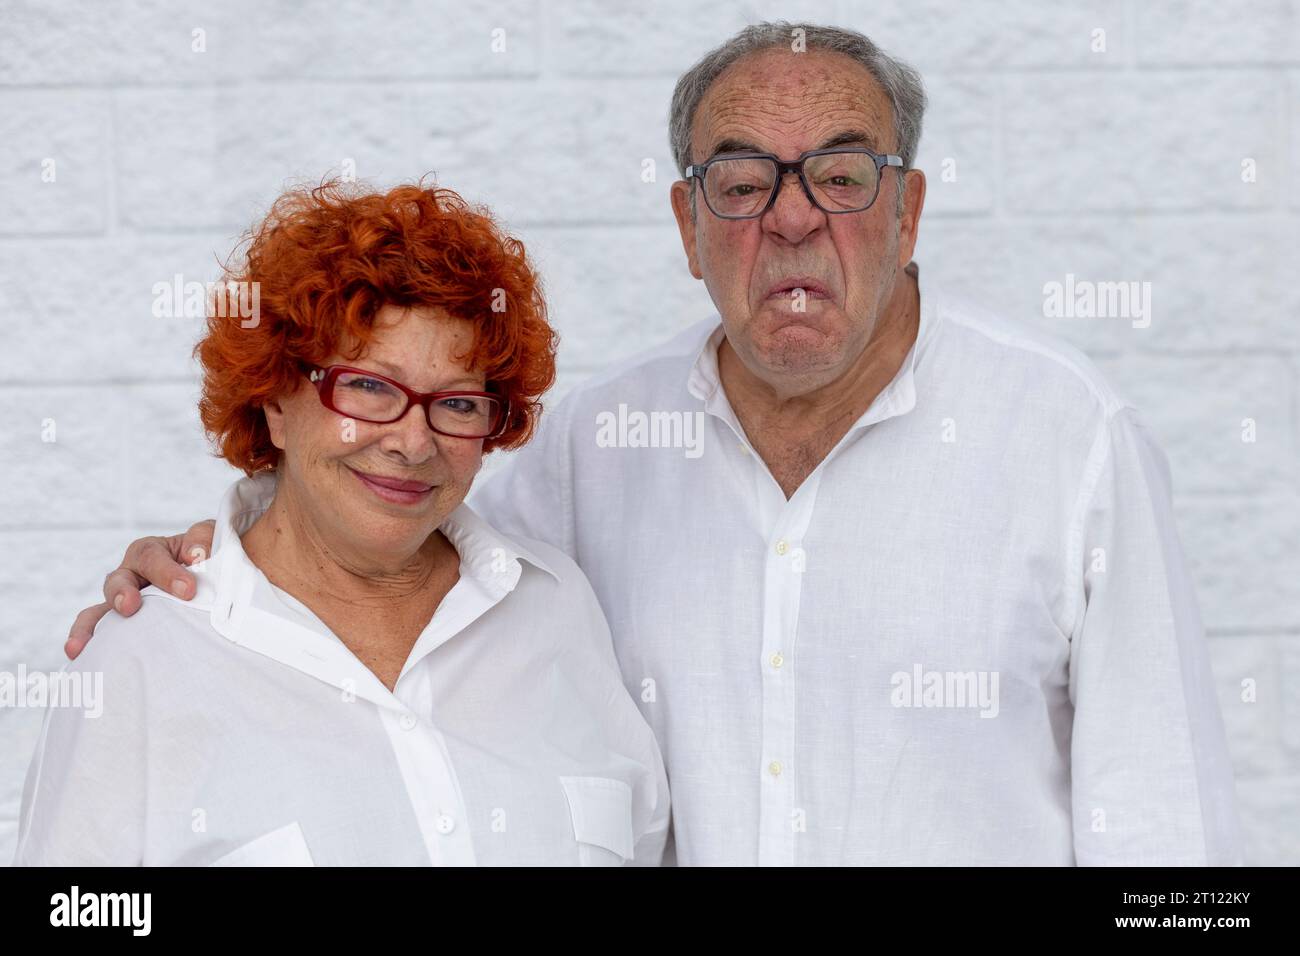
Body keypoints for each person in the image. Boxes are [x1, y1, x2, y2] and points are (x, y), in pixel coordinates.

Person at [67, 22, 1241, 865]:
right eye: (740, 181)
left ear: (908, 209)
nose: (790, 216)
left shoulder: (1069, 443)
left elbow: (1169, 843)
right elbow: (397, 541)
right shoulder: (592, 450)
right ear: (687, 224)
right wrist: (208, 563)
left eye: (841, 174)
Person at [18, 179, 669, 866]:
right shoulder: (142, 665)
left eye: (456, 403)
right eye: (366, 386)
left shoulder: (557, 610)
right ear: (274, 400)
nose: (413, 443)